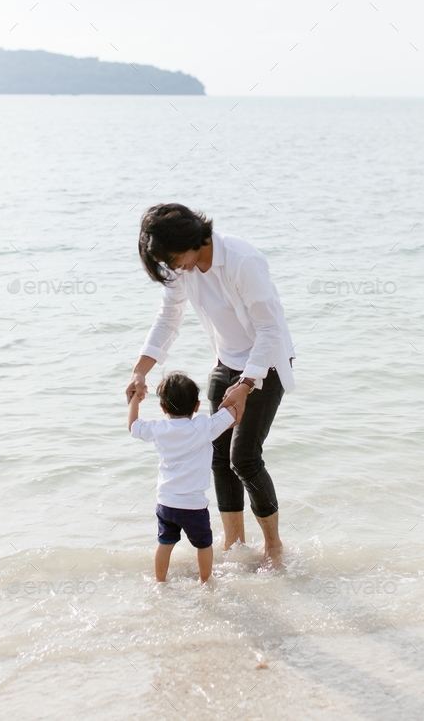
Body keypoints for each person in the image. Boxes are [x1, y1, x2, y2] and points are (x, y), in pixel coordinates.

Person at [125, 203, 296, 565]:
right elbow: (169, 319)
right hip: (227, 362)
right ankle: (234, 544)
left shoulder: (241, 260)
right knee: (218, 457)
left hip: (266, 363)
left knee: (244, 459)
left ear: (192, 240)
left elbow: (270, 329)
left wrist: (247, 382)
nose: (173, 267)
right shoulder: (181, 269)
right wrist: (141, 370)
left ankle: (274, 548)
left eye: (173, 257)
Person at [128, 371, 236, 583]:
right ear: (196, 406)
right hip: (194, 505)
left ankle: (160, 582)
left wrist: (135, 399)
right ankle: (205, 582)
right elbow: (232, 413)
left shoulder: (159, 429)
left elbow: (133, 426)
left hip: (166, 503)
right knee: (203, 544)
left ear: (163, 408)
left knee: (165, 543)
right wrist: (236, 391)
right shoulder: (204, 426)